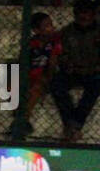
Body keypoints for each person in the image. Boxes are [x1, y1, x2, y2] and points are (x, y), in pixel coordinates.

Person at [50, 0, 100, 142]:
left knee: (96, 85)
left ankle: (73, 124)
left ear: (93, 15)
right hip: (73, 70)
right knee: (56, 84)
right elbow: (62, 56)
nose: (83, 17)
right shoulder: (67, 32)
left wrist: (92, 69)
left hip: (94, 71)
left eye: (87, 14)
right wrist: (69, 66)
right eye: (80, 14)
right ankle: (72, 124)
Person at [10, 11, 62, 140]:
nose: (52, 27)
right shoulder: (31, 43)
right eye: (47, 25)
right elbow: (23, 63)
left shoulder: (54, 43)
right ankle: (19, 118)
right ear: (36, 30)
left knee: (35, 89)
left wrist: (47, 78)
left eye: (51, 24)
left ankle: (22, 120)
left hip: (44, 76)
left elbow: (52, 64)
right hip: (29, 75)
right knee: (14, 87)